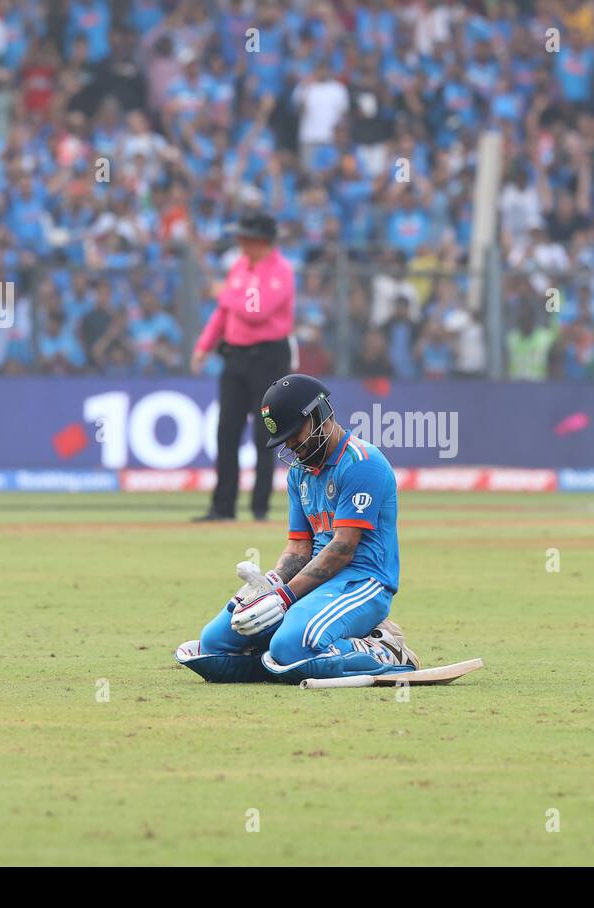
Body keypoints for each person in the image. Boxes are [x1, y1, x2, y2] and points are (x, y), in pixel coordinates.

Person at [175, 374, 420, 685]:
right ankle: (288, 657)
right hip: (313, 584)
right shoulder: (299, 473)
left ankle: (382, 647)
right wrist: (270, 585)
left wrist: (284, 599)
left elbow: (342, 549)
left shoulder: (362, 463)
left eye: (295, 434)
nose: (291, 445)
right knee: (214, 644)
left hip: (363, 582)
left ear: (318, 415)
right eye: (285, 439)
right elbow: (299, 548)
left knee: (288, 647)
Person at [190, 210, 294, 522]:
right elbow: (224, 314)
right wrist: (204, 346)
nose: (240, 241)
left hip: (268, 358)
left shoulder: (281, 272)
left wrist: (225, 292)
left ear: (260, 240)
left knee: (265, 432)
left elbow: (256, 311)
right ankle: (223, 507)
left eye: (245, 236)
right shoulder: (240, 267)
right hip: (236, 356)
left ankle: (259, 508)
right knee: (227, 431)